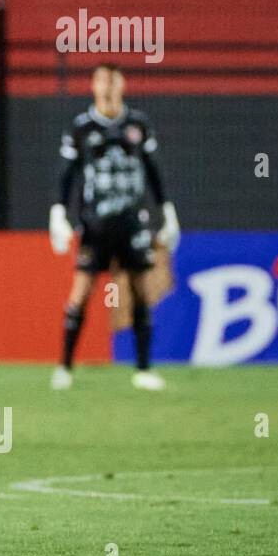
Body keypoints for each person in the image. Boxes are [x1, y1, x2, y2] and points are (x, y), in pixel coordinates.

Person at [49, 63, 180, 391]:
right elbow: (68, 175)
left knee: (139, 290)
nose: (107, 87)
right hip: (95, 224)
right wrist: (59, 213)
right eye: (101, 80)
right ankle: (64, 367)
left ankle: (144, 369)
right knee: (81, 290)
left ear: (122, 85)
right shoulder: (81, 127)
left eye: (113, 80)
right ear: (93, 86)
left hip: (133, 222)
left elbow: (153, 170)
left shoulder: (138, 124)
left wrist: (167, 211)